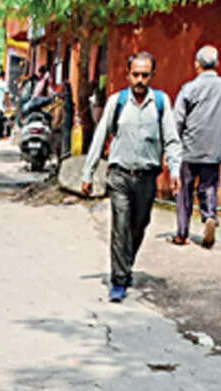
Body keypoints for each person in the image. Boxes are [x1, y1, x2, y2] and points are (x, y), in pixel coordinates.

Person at [80, 52, 182, 303]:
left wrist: (175, 170)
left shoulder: (160, 102)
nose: (139, 79)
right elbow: (100, 136)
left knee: (139, 225)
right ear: (128, 75)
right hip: (120, 175)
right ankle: (119, 280)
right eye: (135, 74)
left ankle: (126, 263)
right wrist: (88, 172)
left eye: (145, 75)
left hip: (146, 177)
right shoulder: (118, 101)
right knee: (121, 226)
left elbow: (171, 139)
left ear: (151, 76)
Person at [170, 45, 221, 249]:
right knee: (208, 186)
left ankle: (182, 233)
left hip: (190, 148)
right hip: (214, 149)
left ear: (197, 65)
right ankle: (209, 216)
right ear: (217, 64)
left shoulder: (189, 88)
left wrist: (173, 146)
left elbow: (177, 120)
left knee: (185, 190)